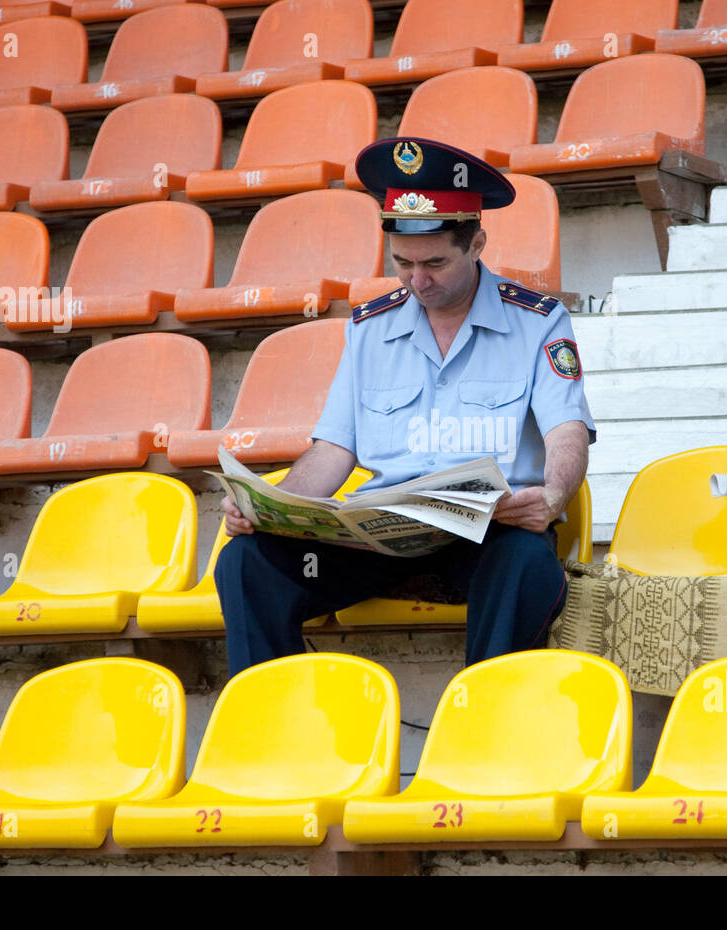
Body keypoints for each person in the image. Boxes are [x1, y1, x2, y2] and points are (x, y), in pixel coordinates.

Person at [214, 137, 595, 675]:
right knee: (247, 563)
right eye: (403, 263)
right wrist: (270, 509)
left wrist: (553, 495)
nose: (418, 281)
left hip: (484, 538)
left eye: (436, 262)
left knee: (525, 563)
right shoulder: (370, 328)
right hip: (379, 543)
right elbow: (332, 451)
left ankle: (483, 725)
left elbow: (567, 430)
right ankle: (269, 725)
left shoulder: (538, 320)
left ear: (477, 242)